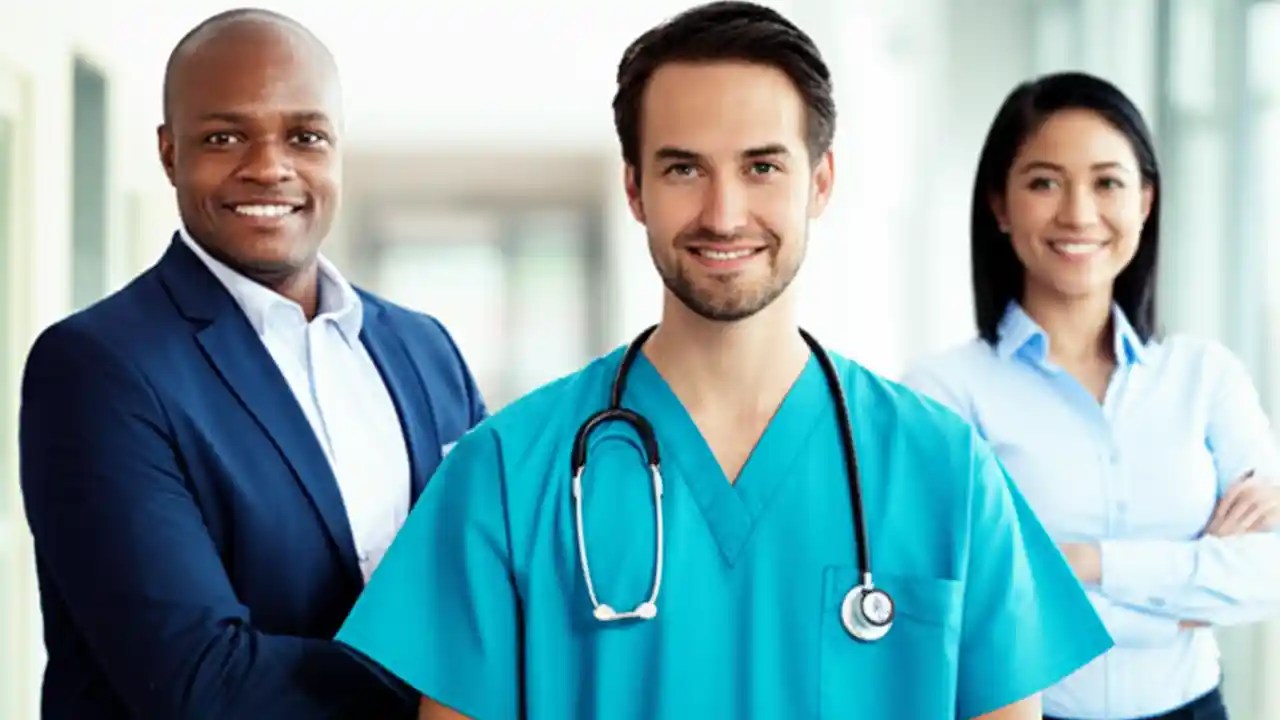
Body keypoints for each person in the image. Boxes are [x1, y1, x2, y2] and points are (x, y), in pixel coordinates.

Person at [335, 4, 1113, 719]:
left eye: (762, 167)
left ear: (821, 182)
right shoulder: (507, 474)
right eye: (683, 169)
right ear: (635, 189)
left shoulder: (944, 470)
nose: (724, 214)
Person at [18, 9, 486, 720]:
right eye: (224, 136)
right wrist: (453, 684)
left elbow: (496, 579)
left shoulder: (425, 353)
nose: (270, 167)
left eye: (305, 136)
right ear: (170, 152)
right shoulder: (97, 368)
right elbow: (199, 679)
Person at [902, 71, 1280, 720]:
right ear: (1000, 203)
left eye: (1107, 182)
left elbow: (1267, 576)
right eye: (1044, 182)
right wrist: (1187, 585)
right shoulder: (944, 393)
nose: (1078, 213)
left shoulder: (1205, 377)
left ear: (1145, 201)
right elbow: (960, 605)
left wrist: (1078, 562)